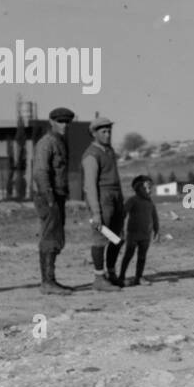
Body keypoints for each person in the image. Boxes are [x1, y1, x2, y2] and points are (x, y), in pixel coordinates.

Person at [31, 107, 76, 295]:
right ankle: (47, 282)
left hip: (57, 195)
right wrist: (49, 197)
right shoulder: (47, 142)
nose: (64, 125)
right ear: (51, 122)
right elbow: (40, 172)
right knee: (50, 237)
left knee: (56, 237)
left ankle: (50, 280)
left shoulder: (60, 142)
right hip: (48, 196)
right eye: (60, 121)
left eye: (66, 122)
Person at [82, 116, 126, 291]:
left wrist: (121, 204)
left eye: (109, 131)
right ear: (94, 133)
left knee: (117, 238)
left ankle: (111, 273)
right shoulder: (91, 155)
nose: (108, 135)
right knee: (101, 239)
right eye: (103, 132)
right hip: (102, 200)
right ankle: (99, 278)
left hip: (115, 199)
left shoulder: (110, 151)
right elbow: (90, 186)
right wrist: (96, 213)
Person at [119, 175, 159, 286]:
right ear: (137, 188)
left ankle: (139, 277)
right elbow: (123, 214)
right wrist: (120, 228)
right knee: (128, 254)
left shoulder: (150, 202)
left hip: (146, 235)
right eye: (145, 187)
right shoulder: (133, 200)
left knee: (142, 256)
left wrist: (156, 230)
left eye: (150, 188)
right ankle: (121, 276)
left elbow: (154, 217)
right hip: (133, 234)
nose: (148, 190)